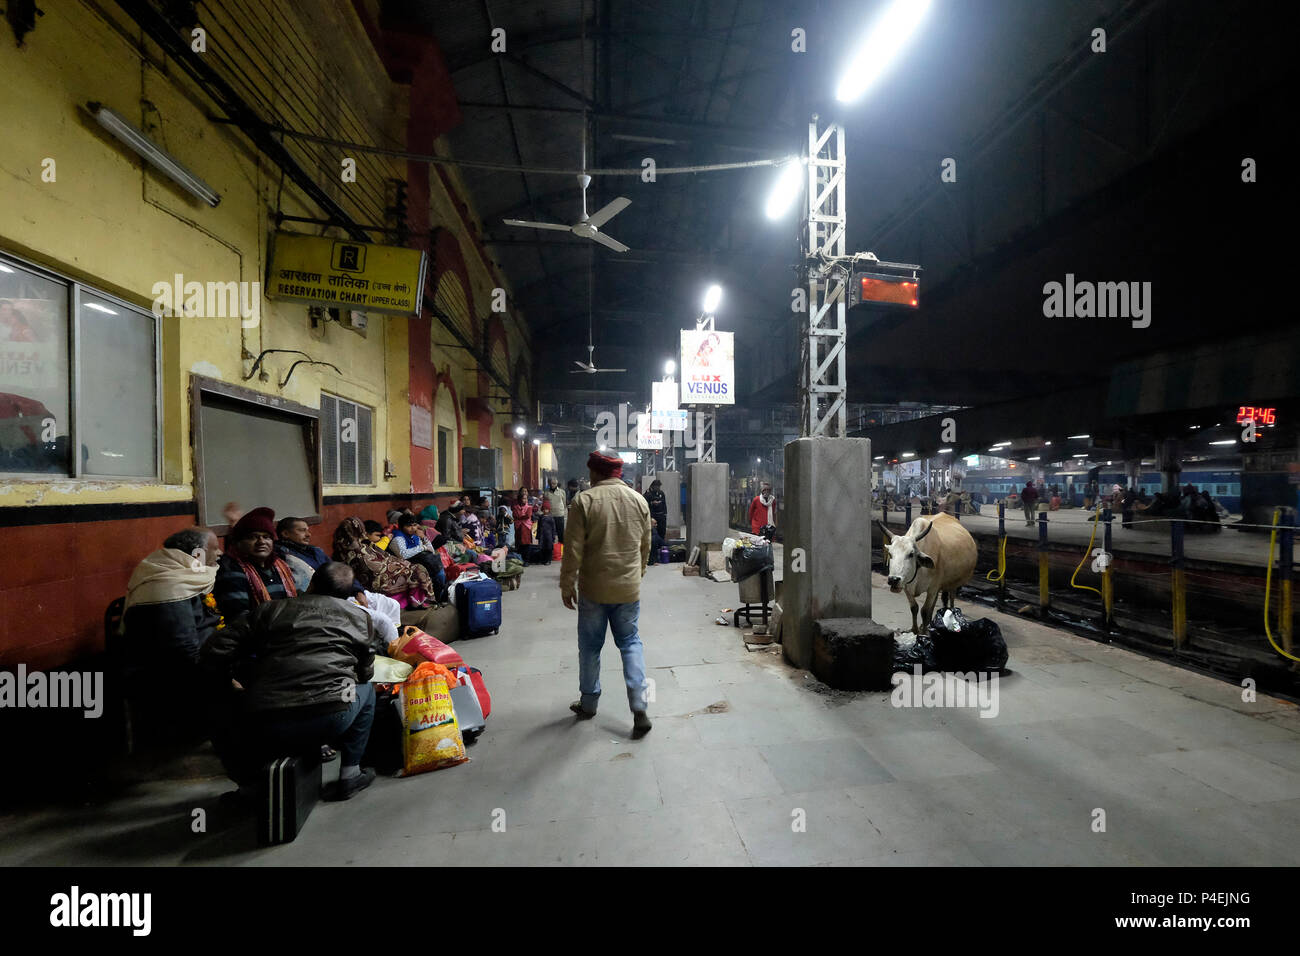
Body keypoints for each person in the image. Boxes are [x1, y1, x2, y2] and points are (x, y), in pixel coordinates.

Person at [200, 562, 380, 801]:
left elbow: (215, 649)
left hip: (264, 718)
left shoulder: (271, 609)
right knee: (366, 689)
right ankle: (350, 774)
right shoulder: (360, 617)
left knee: (218, 705)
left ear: (312, 582)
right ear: (348, 593)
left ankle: (248, 787)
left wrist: (235, 679)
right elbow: (365, 671)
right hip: (331, 717)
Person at [560, 450, 653, 738]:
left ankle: (588, 703)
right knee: (631, 643)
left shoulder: (583, 501)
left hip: (593, 590)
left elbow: (572, 550)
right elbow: (644, 547)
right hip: (628, 589)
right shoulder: (639, 500)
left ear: (596, 472)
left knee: (590, 647)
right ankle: (640, 705)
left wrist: (567, 583)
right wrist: (637, 576)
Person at [120, 527, 224, 740]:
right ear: (198, 554)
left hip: (191, 656)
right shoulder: (170, 584)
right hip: (163, 671)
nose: (220, 552)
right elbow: (183, 650)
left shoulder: (177, 572)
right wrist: (222, 671)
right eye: (215, 548)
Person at [214, 507, 298, 620]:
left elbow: (298, 600)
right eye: (253, 537)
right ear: (238, 543)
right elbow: (239, 616)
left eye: (266, 537)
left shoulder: (280, 565)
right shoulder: (232, 569)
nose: (261, 542)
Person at [333, 516, 435, 608]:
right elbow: (372, 563)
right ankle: (415, 602)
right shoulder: (356, 547)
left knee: (415, 567)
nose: (413, 528)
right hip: (373, 579)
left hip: (373, 573)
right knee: (416, 570)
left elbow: (382, 555)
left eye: (414, 525)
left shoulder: (346, 547)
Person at [387, 511, 449, 601]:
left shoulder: (415, 536)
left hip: (418, 560)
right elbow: (403, 554)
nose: (413, 528)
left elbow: (430, 550)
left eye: (415, 525)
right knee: (435, 569)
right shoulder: (398, 538)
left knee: (437, 566)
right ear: (401, 527)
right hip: (403, 563)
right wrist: (423, 547)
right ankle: (438, 596)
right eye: (409, 526)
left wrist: (423, 538)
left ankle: (439, 594)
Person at [276, 516, 331, 593]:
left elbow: (336, 570)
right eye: (302, 530)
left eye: (307, 530)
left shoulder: (315, 551)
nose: (308, 534)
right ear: (285, 534)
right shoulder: (283, 556)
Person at [535, 500, 557, 565]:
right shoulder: (541, 517)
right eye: (544, 509)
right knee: (542, 548)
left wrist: (554, 536)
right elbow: (538, 527)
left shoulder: (551, 518)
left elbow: (553, 528)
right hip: (542, 536)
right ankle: (543, 559)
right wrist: (538, 536)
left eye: (547, 509)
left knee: (549, 548)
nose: (545, 511)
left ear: (549, 510)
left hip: (549, 536)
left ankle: (548, 560)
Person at [546, 478, 568, 543]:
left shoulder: (562, 492)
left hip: (559, 515)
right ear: (549, 484)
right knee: (550, 533)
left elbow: (564, 503)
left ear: (556, 484)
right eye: (551, 483)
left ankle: (561, 548)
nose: (552, 485)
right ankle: (551, 548)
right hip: (550, 515)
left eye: (554, 483)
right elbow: (545, 504)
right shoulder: (546, 492)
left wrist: (562, 511)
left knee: (560, 533)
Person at [513, 487, 534, 551]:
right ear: (520, 499)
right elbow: (515, 515)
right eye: (523, 499)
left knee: (526, 542)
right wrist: (522, 516)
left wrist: (520, 517)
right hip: (518, 527)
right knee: (519, 542)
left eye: (526, 499)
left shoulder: (529, 507)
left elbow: (527, 516)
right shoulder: (515, 507)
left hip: (526, 527)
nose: (525, 500)